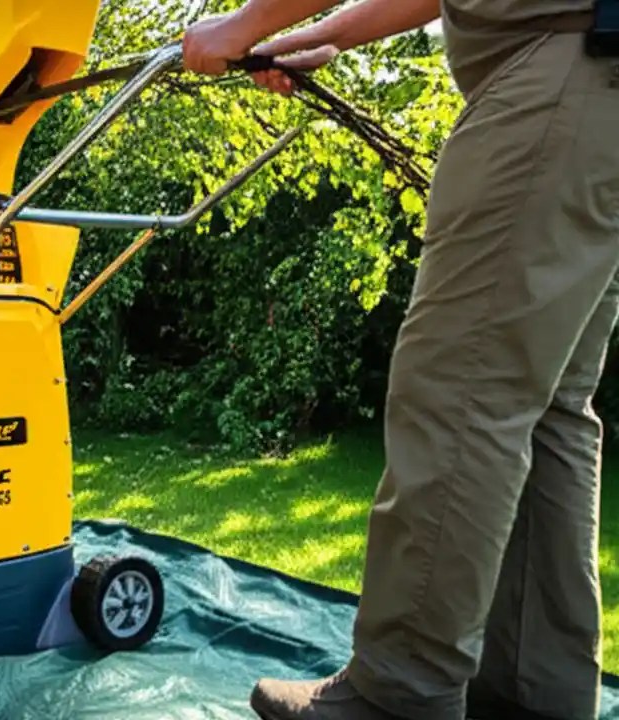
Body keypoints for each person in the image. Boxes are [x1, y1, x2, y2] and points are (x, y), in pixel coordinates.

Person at [181, 0, 619, 718]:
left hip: (557, 81)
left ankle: (399, 694)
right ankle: (534, 689)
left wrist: (242, 25)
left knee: (461, 392)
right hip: (597, 88)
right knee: (544, 408)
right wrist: (323, 33)